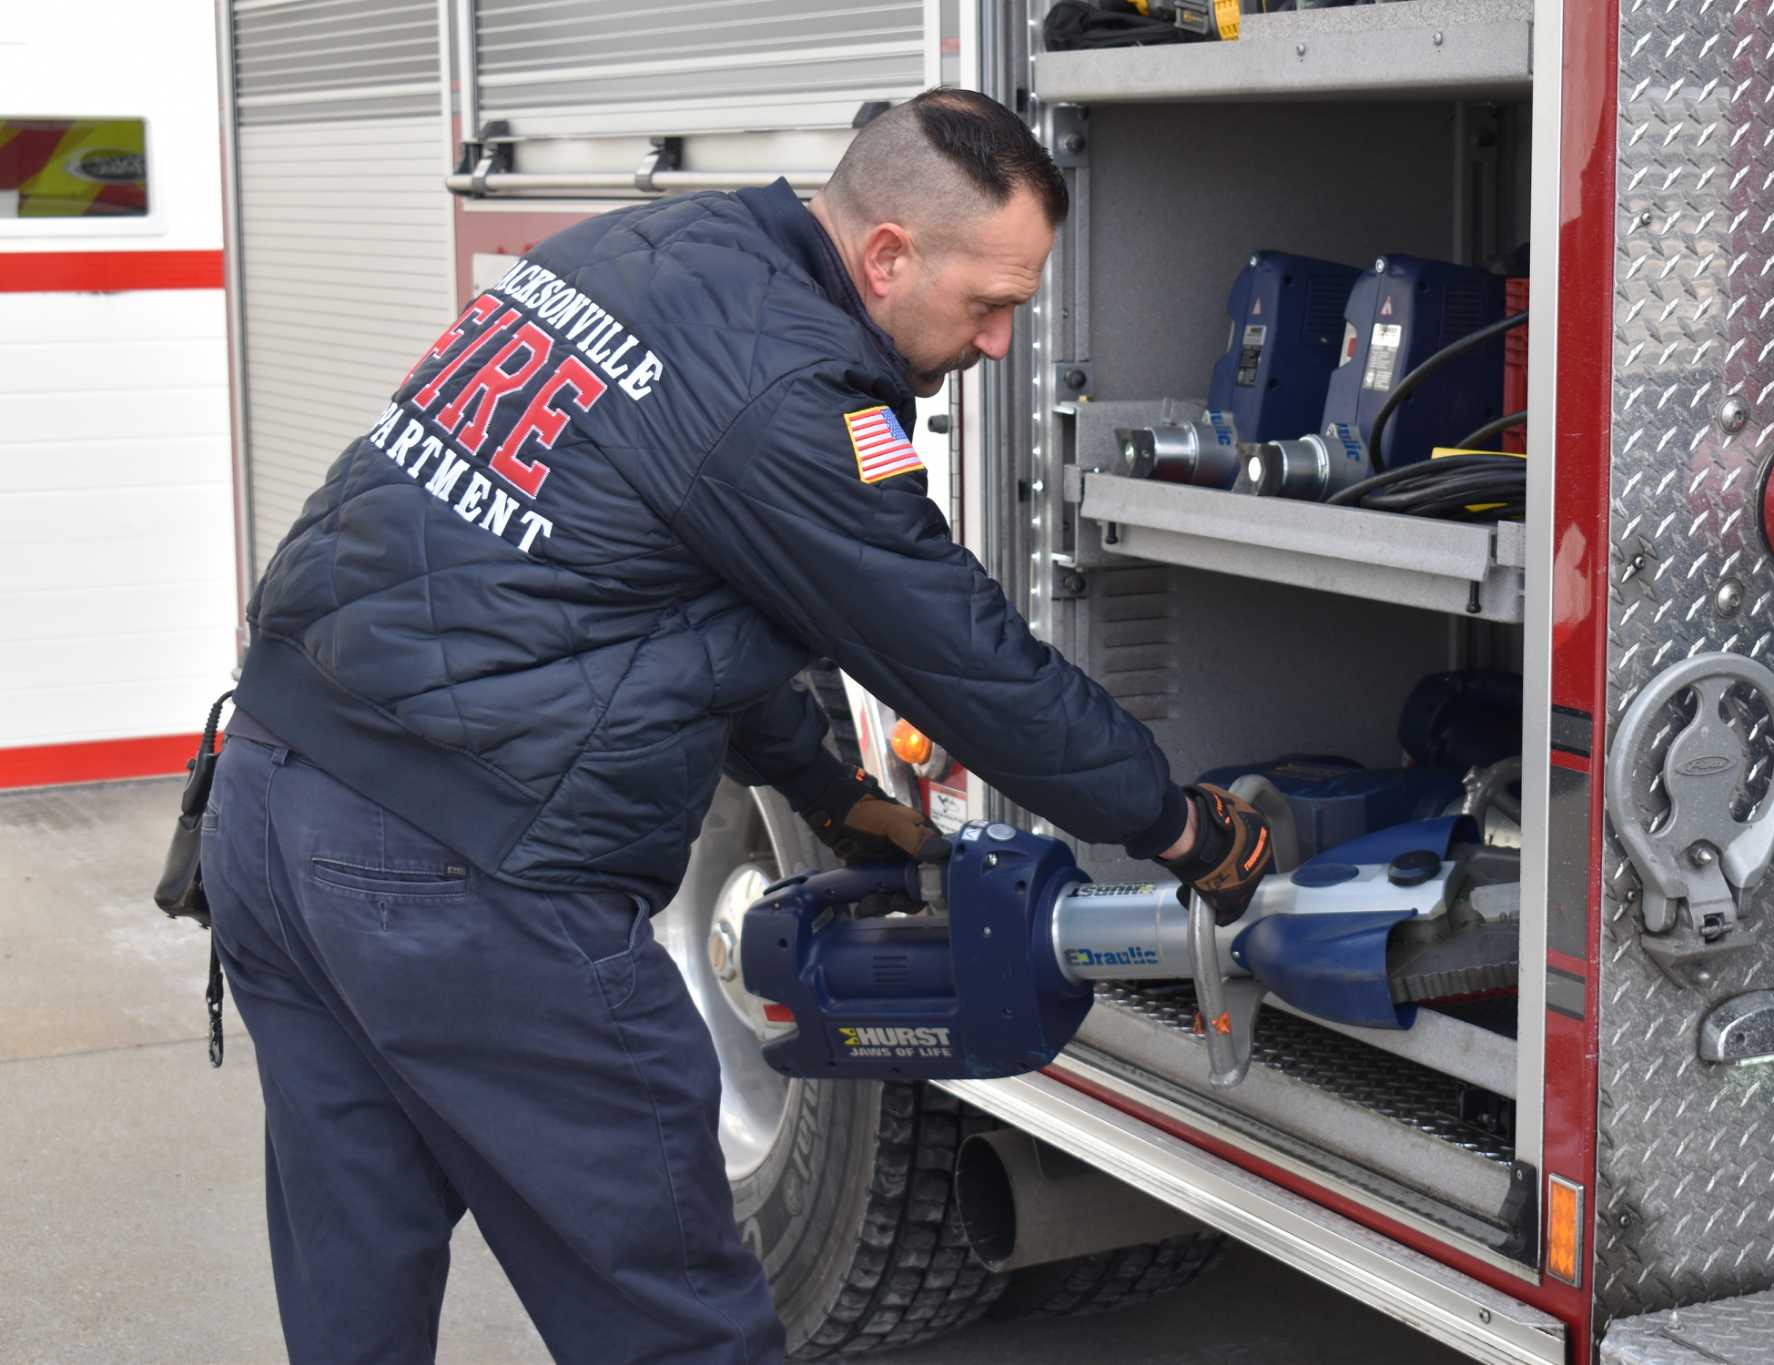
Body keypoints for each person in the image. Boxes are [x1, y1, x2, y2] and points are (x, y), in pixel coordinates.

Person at [201, 87, 1273, 1364]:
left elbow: (654, 597)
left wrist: (823, 790)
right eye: (988, 303)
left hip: (269, 804)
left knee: (353, 1271)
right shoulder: (791, 394)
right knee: (670, 1314)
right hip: (460, 879)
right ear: (887, 256)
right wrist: (1175, 826)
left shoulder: (640, 253)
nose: (997, 344)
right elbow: (965, 662)